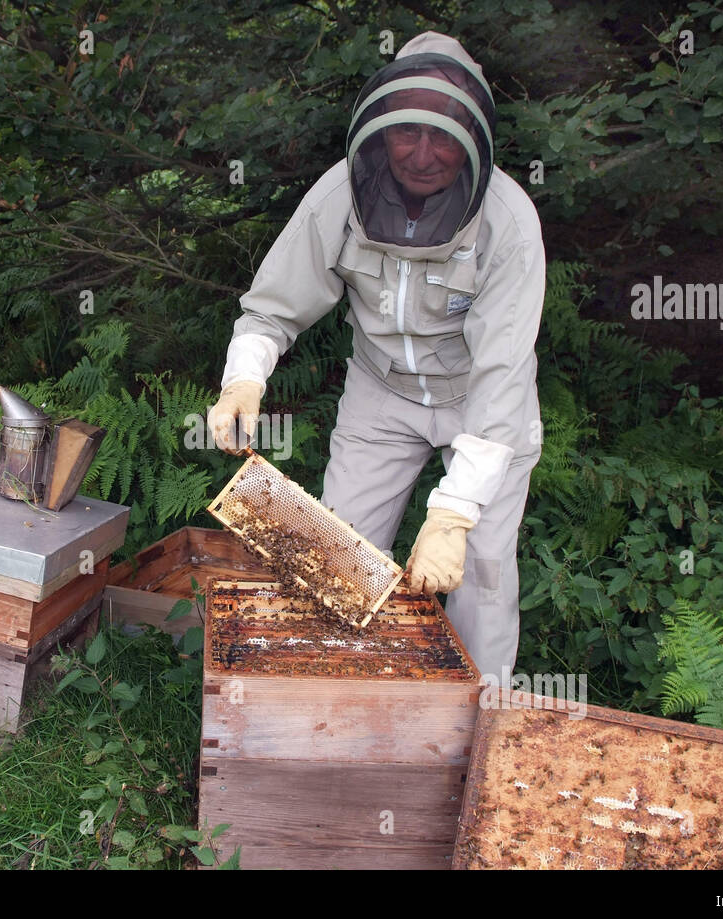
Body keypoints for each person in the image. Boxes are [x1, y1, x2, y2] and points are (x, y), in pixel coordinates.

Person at [206, 31, 545, 677]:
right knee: (335, 558)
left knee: (483, 577)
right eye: (405, 133)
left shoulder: (509, 222)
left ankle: (482, 730)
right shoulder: (340, 194)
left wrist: (451, 515)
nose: (422, 155)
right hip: (380, 396)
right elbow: (272, 304)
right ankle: (340, 713)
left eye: (443, 134)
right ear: (379, 132)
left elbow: (502, 375)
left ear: (473, 137)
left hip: (482, 406)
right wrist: (243, 380)